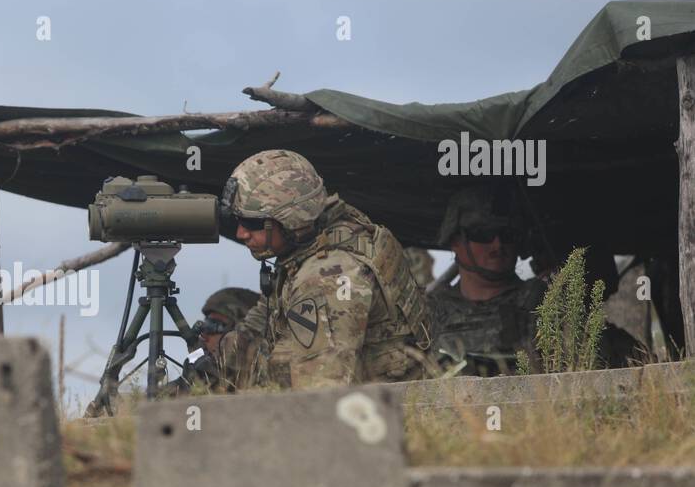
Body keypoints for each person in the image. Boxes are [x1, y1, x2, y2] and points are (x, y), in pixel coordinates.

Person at [215, 149, 432, 390]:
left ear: (291, 220)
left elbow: (321, 394)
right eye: (238, 220)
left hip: (380, 414)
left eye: (252, 223)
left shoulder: (324, 278)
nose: (241, 233)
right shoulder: (328, 232)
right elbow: (266, 314)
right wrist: (223, 356)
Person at [427, 186, 545, 375]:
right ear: (455, 240)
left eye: (508, 235)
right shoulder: (426, 314)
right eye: (483, 234)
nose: (497, 245)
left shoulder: (546, 305)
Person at [168, 287, 261, 395]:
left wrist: (199, 362)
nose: (204, 335)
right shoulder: (202, 363)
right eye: (206, 324)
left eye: (213, 326)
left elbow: (220, 382)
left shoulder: (257, 377)